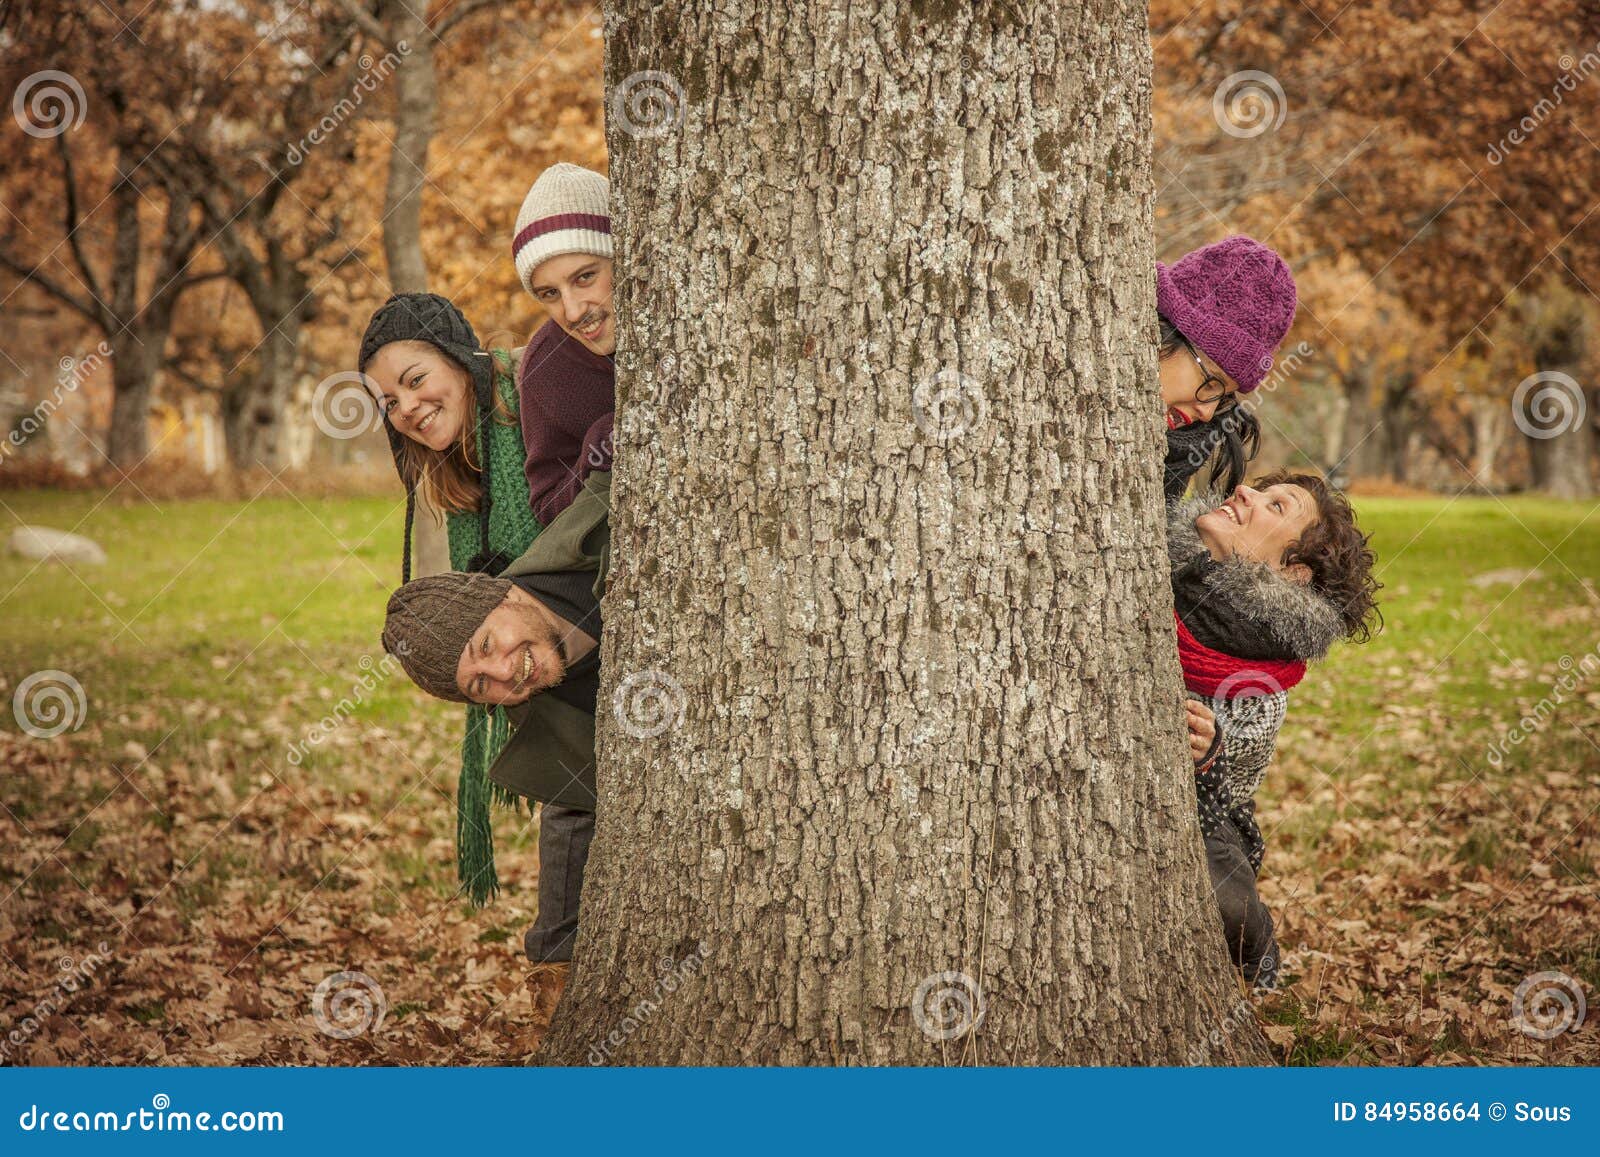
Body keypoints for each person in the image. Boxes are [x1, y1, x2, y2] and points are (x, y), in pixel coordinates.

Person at [381, 471, 612, 985]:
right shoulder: (548, 727)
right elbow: (570, 817)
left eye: (485, 646)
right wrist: (552, 960)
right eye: (481, 687)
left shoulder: (597, 526)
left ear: (500, 595)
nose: (506, 673)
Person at [357, 293, 546, 908]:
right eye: (389, 403)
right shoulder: (454, 473)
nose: (407, 409)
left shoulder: (530, 393)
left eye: (415, 381)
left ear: (462, 361)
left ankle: (555, 957)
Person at [1169, 472, 1380, 989]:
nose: (1242, 493)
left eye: (1275, 505)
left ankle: (1258, 941)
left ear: (1294, 573)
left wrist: (1209, 751)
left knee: (1227, 906)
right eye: (1256, 490)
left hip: (1209, 812)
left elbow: (1223, 795)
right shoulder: (1159, 558)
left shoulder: (1260, 684)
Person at [512, 162, 618, 527]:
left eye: (585, 277)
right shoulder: (544, 371)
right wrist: (597, 451)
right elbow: (547, 507)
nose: (572, 311)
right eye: (550, 294)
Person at [1154, 234, 1297, 501]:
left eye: (1223, 397)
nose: (1207, 414)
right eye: (1210, 381)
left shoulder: (1177, 461)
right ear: (1163, 333)